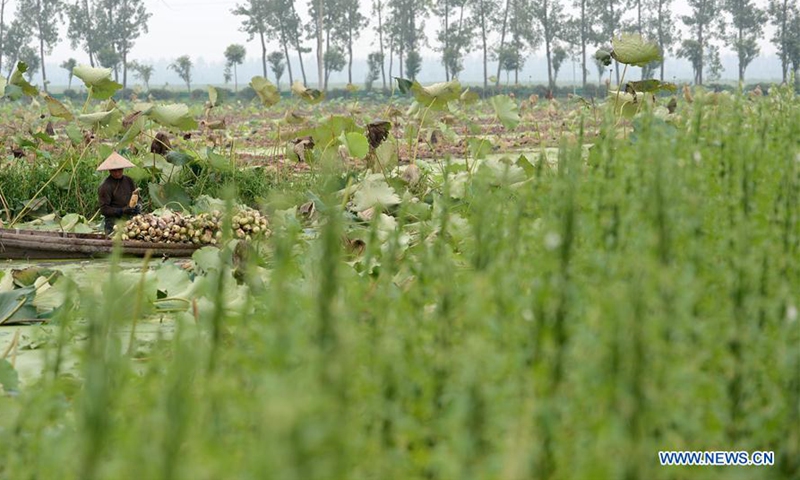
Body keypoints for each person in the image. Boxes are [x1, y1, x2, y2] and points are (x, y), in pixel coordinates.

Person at [97, 152, 141, 234]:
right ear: (109, 170)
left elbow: (137, 198)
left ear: (123, 168)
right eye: (114, 171)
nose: (117, 173)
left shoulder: (129, 181)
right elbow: (104, 209)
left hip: (130, 222)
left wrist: (137, 206)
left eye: (119, 170)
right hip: (113, 223)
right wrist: (122, 210)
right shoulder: (105, 186)